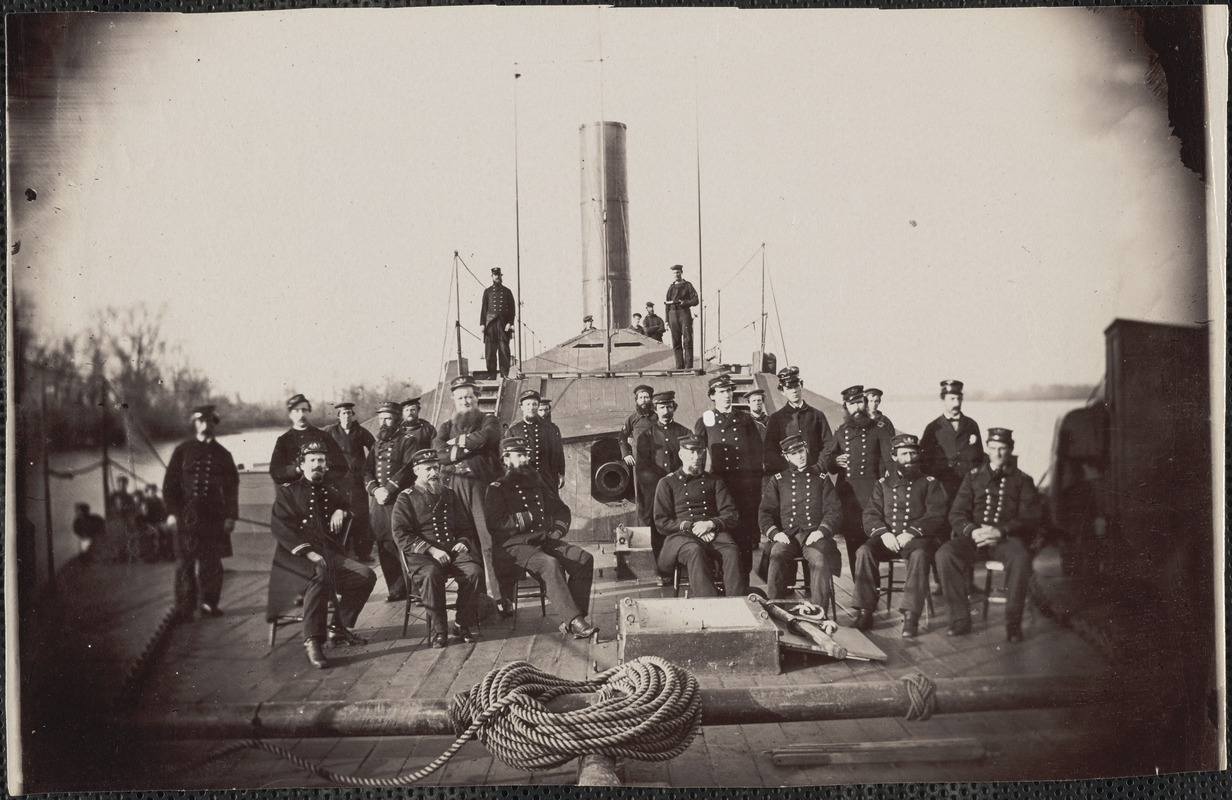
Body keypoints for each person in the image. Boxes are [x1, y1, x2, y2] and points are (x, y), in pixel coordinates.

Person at [270, 441, 376, 669]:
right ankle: (313, 641)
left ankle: (338, 626)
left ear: (326, 465)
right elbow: (281, 527)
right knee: (320, 576)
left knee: (365, 575)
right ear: (302, 465)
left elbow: (350, 507)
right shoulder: (289, 492)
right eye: (312, 460)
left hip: (328, 555)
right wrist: (308, 553)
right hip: (296, 560)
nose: (317, 464)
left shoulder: (331, 491)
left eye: (321, 460)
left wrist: (342, 510)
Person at [484, 437, 598, 638]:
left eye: (526, 455)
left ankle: (573, 617)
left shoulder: (537, 483)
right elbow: (496, 524)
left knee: (584, 559)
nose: (525, 459)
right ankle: (575, 621)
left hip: (543, 540)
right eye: (519, 455)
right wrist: (528, 517)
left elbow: (561, 509)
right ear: (506, 459)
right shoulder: (497, 488)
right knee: (550, 564)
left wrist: (557, 531)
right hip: (515, 547)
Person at [936, 428, 1041, 642]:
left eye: (1002, 449)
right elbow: (957, 513)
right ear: (987, 449)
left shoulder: (1022, 480)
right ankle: (960, 620)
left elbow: (1030, 517)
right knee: (945, 554)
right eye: (993, 448)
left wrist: (1000, 531)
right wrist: (973, 530)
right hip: (975, 538)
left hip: (1006, 540)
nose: (997, 453)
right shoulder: (972, 477)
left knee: (1021, 559)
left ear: (1010, 449)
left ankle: (1013, 625)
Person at [851, 434, 948, 638]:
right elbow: (870, 513)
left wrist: (911, 533)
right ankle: (865, 610)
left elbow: (936, 514)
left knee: (920, 555)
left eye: (913, 453)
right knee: (864, 551)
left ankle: (911, 616)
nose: (910, 458)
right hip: (888, 538)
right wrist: (883, 533)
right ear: (894, 456)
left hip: (916, 539)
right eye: (904, 454)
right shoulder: (882, 484)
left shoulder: (929, 482)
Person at [391, 449, 483, 647]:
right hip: (422, 556)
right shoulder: (405, 498)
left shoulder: (449, 494)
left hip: (451, 552)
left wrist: (463, 541)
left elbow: (464, 527)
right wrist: (432, 550)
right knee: (432, 575)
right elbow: (400, 534)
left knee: (474, 572)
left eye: (436, 468)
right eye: (428, 469)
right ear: (416, 471)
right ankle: (440, 631)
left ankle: (461, 624)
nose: (434, 473)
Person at [434, 375, 506, 608]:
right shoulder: (446, 426)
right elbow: (438, 451)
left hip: (482, 490)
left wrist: (455, 444)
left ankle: (500, 597)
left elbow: (488, 437)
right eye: (460, 398)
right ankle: (477, 598)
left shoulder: (489, 419)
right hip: (454, 492)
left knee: (489, 542)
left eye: (469, 397)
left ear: (477, 398)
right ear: (454, 400)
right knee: (466, 544)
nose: (465, 401)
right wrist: (468, 446)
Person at [163, 405, 239, 621]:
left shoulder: (223, 455)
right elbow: (170, 485)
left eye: (209, 422)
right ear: (195, 424)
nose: (205, 425)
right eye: (201, 421)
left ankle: (209, 604)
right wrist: (172, 512)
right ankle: (185, 609)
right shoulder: (182, 451)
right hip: (187, 517)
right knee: (185, 563)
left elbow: (232, 488)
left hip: (214, 519)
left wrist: (230, 516)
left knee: (212, 564)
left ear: (214, 424)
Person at [758, 433, 842, 610]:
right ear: (787, 456)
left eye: (801, 451)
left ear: (806, 450)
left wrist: (821, 531)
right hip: (787, 536)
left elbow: (834, 511)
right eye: (794, 453)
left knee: (819, 560)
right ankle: (774, 608)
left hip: (813, 536)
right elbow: (765, 512)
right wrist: (775, 533)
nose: (800, 456)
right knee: (776, 554)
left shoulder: (821, 479)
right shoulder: (778, 480)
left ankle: (819, 611)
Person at [653, 435, 744, 596]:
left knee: (732, 552)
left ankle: (737, 601)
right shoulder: (667, 483)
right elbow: (662, 522)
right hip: (681, 536)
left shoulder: (714, 481)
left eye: (700, 452)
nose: (696, 457)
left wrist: (711, 524)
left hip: (712, 533)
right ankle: (707, 603)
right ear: (681, 454)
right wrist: (692, 526)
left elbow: (731, 514)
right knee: (695, 551)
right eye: (691, 452)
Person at [694, 374, 763, 584]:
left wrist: (754, 485)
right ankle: (721, 577)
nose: (727, 395)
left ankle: (744, 579)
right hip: (719, 485)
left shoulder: (744, 419)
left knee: (745, 530)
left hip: (744, 485)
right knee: (721, 531)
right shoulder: (706, 419)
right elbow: (698, 453)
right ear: (712, 396)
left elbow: (757, 452)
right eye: (722, 391)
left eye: (729, 391)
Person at [823, 385, 894, 573]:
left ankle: (872, 583)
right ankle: (858, 583)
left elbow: (890, 462)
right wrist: (835, 460)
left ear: (865, 403)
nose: (856, 407)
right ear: (846, 407)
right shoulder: (841, 431)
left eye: (859, 402)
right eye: (851, 404)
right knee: (852, 540)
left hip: (873, 495)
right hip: (848, 497)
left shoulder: (879, 429)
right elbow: (828, 461)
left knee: (872, 540)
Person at [633, 390, 692, 576]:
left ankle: (686, 565)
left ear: (674, 408)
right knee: (659, 530)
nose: (666, 411)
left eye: (669, 407)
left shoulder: (685, 433)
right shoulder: (646, 436)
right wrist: (662, 484)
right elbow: (642, 469)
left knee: (683, 527)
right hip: (657, 493)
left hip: (681, 490)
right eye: (662, 407)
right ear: (655, 409)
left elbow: (691, 462)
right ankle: (664, 571)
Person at [364, 401, 416, 602]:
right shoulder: (376, 445)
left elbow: (409, 468)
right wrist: (375, 490)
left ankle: (415, 589)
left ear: (398, 420)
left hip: (399, 501)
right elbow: (367, 471)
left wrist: (389, 489)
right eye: (381, 419)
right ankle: (396, 589)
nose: (383, 423)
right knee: (384, 546)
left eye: (388, 418)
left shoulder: (408, 441)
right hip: (379, 503)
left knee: (404, 543)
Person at [920, 379, 984, 510]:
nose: (957, 403)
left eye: (959, 399)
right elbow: (924, 462)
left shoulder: (971, 425)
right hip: (944, 487)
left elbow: (980, 456)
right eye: (952, 399)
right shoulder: (933, 428)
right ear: (942, 400)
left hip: (969, 486)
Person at [325, 401, 376, 562]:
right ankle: (342, 551)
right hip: (338, 482)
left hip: (357, 482)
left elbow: (375, 449)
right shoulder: (330, 431)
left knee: (361, 515)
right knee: (341, 513)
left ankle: (363, 552)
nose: (346, 416)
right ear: (338, 416)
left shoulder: (360, 431)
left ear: (353, 415)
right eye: (343, 413)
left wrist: (368, 467)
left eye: (349, 413)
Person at [763, 366, 834, 476]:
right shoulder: (776, 418)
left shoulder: (817, 415)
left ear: (801, 385)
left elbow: (828, 445)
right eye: (789, 387)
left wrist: (818, 468)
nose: (794, 391)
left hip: (815, 475)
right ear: (782, 391)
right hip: (788, 478)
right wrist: (786, 472)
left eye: (796, 385)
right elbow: (770, 450)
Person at [269, 394, 349, 490]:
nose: (301, 415)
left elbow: (342, 467)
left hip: (321, 491)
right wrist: (297, 469)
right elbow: (276, 472)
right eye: (296, 410)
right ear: (290, 414)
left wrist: (320, 474)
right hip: (295, 493)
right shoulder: (284, 440)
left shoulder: (323, 436)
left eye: (304, 410)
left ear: (309, 412)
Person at [506, 390, 565, 492]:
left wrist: (561, 473)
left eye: (534, 404)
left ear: (537, 407)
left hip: (547, 479)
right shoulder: (513, 430)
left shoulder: (548, 429)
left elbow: (557, 453)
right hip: (523, 480)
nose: (531, 407)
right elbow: (507, 458)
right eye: (528, 404)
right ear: (521, 407)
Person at [481, 267, 516, 378]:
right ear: (492, 276)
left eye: (499, 275)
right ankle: (491, 375)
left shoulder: (507, 292)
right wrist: (482, 324)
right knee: (490, 351)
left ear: (501, 276)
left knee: (504, 350)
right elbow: (484, 309)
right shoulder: (487, 292)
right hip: (490, 325)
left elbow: (512, 309)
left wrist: (509, 323)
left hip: (503, 325)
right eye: (495, 275)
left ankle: (504, 374)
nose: (497, 277)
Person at [664, 264, 699, 369]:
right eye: (674, 273)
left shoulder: (688, 285)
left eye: (678, 272)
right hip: (673, 315)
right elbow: (667, 305)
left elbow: (695, 300)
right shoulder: (671, 288)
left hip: (684, 313)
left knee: (687, 341)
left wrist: (686, 302)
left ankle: (688, 366)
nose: (676, 275)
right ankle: (679, 366)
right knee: (676, 342)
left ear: (681, 273)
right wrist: (666, 321)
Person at [619, 384, 655, 470]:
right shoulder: (632, 419)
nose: (643, 400)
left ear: (651, 399)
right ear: (636, 400)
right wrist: (626, 454)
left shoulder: (657, 417)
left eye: (646, 397)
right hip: (639, 460)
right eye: (641, 397)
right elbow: (622, 437)